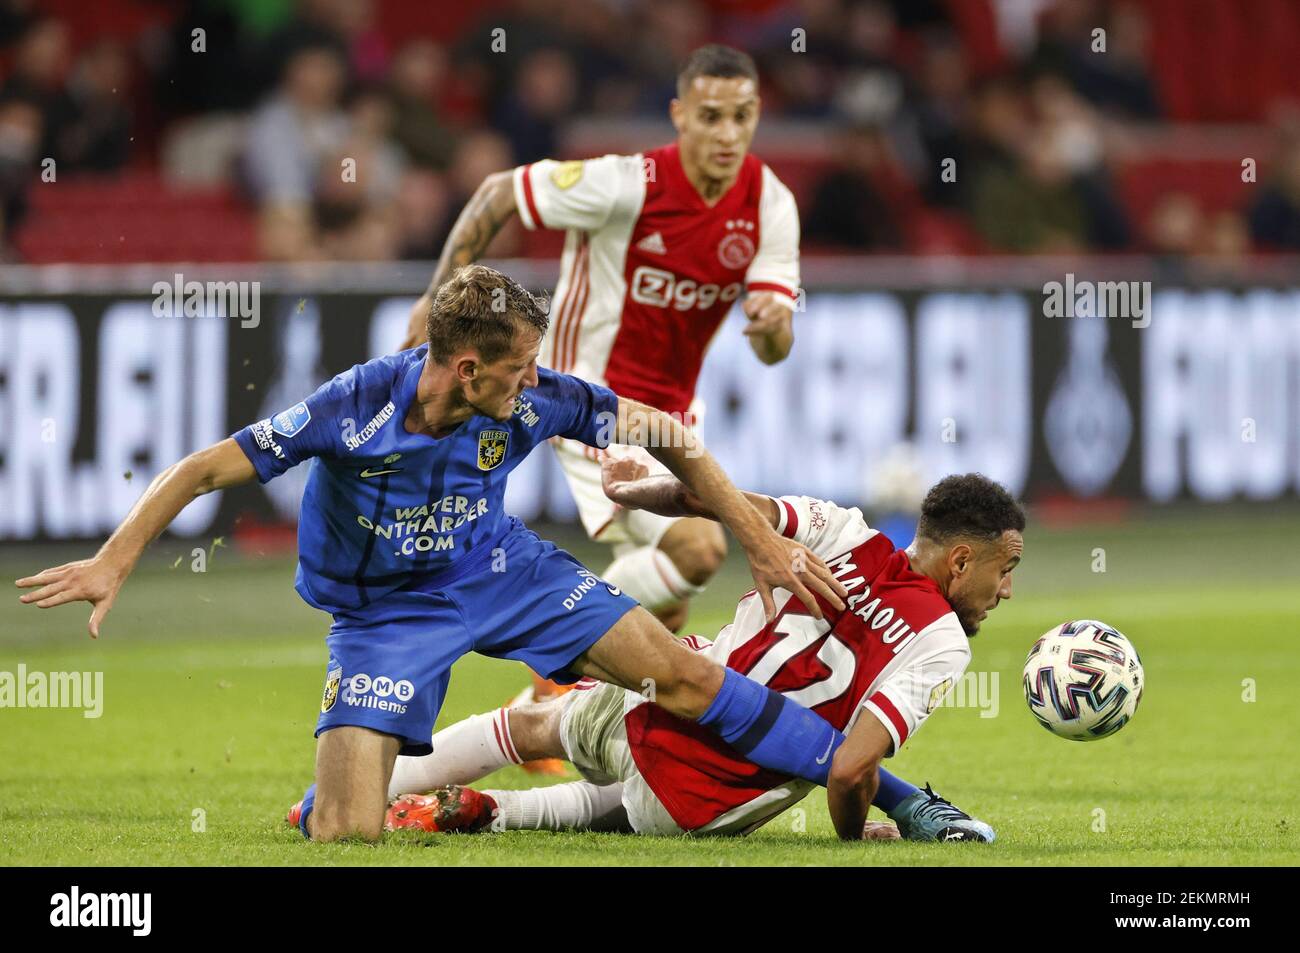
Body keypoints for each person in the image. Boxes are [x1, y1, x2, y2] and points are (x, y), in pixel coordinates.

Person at [17, 265, 856, 844]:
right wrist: (113, 562)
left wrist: (760, 541)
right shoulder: (353, 404)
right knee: (346, 831)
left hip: (501, 572)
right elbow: (203, 468)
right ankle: (345, 781)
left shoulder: (536, 400)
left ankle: (886, 793)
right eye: (520, 370)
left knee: (681, 674)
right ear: (465, 369)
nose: (534, 383)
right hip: (385, 614)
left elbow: (668, 433)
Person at [383, 459, 1024, 842]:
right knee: (630, 810)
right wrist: (856, 835)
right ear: (962, 559)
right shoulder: (939, 640)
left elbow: (711, 499)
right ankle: (494, 813)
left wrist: (642, 489)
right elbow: (851, 770)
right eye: (1005, 570)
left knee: (531, 726)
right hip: (703, 800)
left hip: (655, 697)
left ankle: (353, 789)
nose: (1008, 591)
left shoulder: (844, 529)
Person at [399, 45, 799, 635]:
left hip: (673, 417)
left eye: (741, 116)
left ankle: (561, 702)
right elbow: (499, 192)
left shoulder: (770, 204)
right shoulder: (627, 184)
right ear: (679, 115)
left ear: (758, 115)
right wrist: (436, 297)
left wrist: (774, 326)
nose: (727, 133)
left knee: (667, 617)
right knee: (700, 550)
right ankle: (545, 644)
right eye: (711, 116)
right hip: (592, 400)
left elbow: (774, 351)